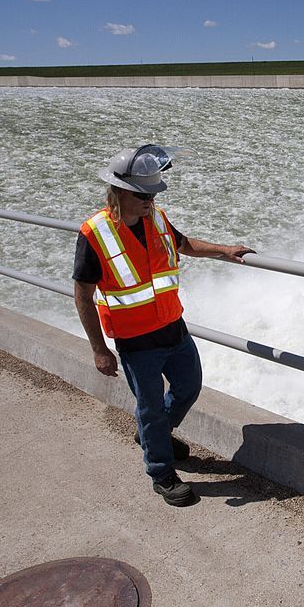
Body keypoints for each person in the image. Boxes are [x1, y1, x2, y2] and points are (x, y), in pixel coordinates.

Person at [73, 144, 254, 506]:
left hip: (173, 327)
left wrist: (223, 250)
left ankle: (151, 433)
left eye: (153, 194)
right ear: (120, 192)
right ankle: (161, 471)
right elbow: (82, 293)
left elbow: (181, 243)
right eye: (143, 195)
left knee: (189, 386)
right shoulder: (95, 234)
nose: (150, 201)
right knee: (151, 406)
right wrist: (98, 349)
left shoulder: (155, 218)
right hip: (136, 341)